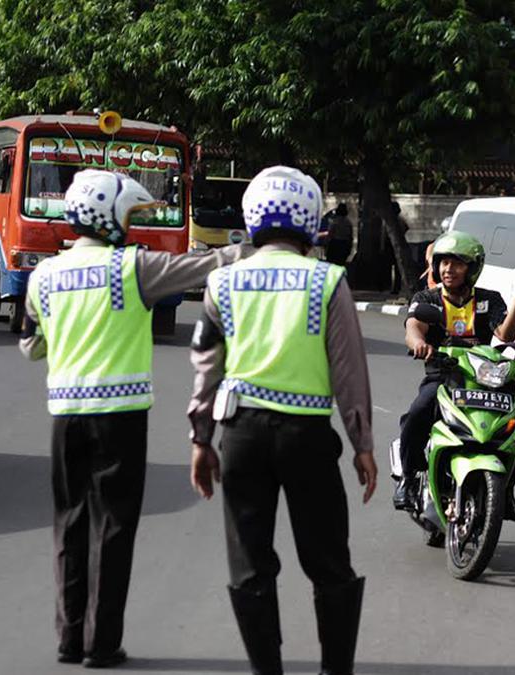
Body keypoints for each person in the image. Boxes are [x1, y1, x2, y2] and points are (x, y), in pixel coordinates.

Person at [20, 169, 251, 668]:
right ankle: (101, 645)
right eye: (127, 216)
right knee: (114, 527)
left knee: (70, 523)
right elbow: (204, 266)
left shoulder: (43, 275)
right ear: (107, 217)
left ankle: (69, 636)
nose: (129, 226)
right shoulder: (133, 269)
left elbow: (30, 346)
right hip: (120, 417)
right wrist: (262, 252)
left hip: (65, 417)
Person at [187, 165, 378, 675]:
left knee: (250, 564)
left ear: (252, 218)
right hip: (307, 438)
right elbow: (349, 370)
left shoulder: (222, 282)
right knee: (328, 561)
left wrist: (200, 439)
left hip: (242, 435)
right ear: (309, 221)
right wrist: (362, 443)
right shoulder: (327, 281)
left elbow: (206, 366)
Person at [392, 231, 515, 522]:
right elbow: (413, 327)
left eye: (457, 263)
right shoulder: (428, 298)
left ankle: (506, 489)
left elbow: (505, 334)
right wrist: (419, 345)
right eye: (443, 263)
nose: (448, 270)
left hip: (484, 380)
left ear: (472, 268)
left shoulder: (488, 300)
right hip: (443, 378)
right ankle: (409, 478)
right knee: (419, 411)